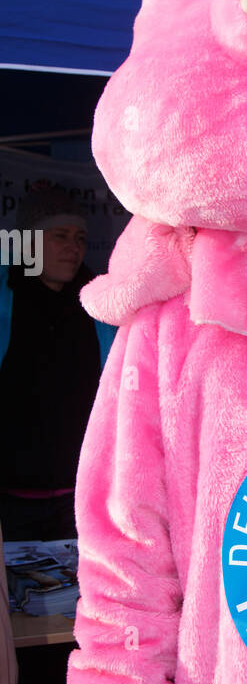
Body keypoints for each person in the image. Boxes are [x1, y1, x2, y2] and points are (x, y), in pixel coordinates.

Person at [0, 183, 115, 542]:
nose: (74, 247)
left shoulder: (99, 304)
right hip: (9, 501)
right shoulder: (7, 301)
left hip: (81, 499)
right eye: (60, 235)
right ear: (29, 242)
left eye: (80, 237)